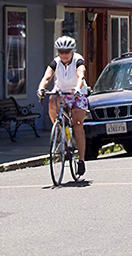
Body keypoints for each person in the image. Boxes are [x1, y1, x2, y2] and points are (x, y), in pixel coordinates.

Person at [37, 36, 88, 176]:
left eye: (67, 52)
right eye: (61, 52)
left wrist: (78, 88)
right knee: (52, 99)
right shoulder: (55, 62)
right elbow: (47, 78)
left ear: (72, 51)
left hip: (77, 93)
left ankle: (81, 160)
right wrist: (41, 88)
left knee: (77, 124)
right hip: (61, 92)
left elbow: (80, 76)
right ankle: (59, 128)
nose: (64, 55)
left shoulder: (78, 60)